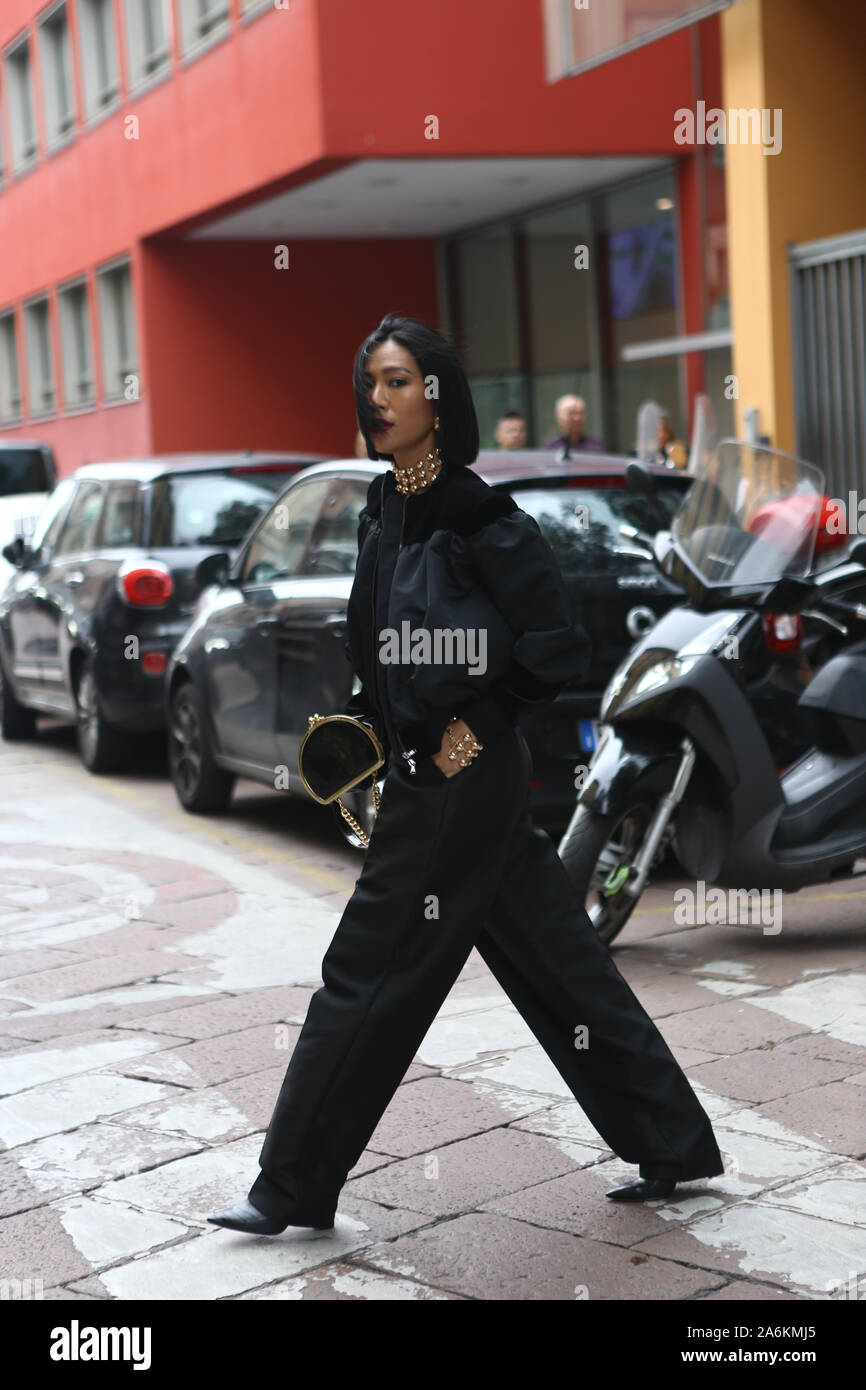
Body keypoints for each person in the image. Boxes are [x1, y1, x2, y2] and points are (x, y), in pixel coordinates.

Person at [208, 314, 724, 1236]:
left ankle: (288, 1186)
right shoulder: (382, 508)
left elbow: (556, 646)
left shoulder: (483, 516)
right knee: (559, 961)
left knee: (364, 974)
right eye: (371, 382)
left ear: (439, 399)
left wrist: (476, 726)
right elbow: (375, 644)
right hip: (416, 778)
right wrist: (367, 727)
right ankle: (674, 1141)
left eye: (400, 381)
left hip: (463, 783)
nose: (380, 399)